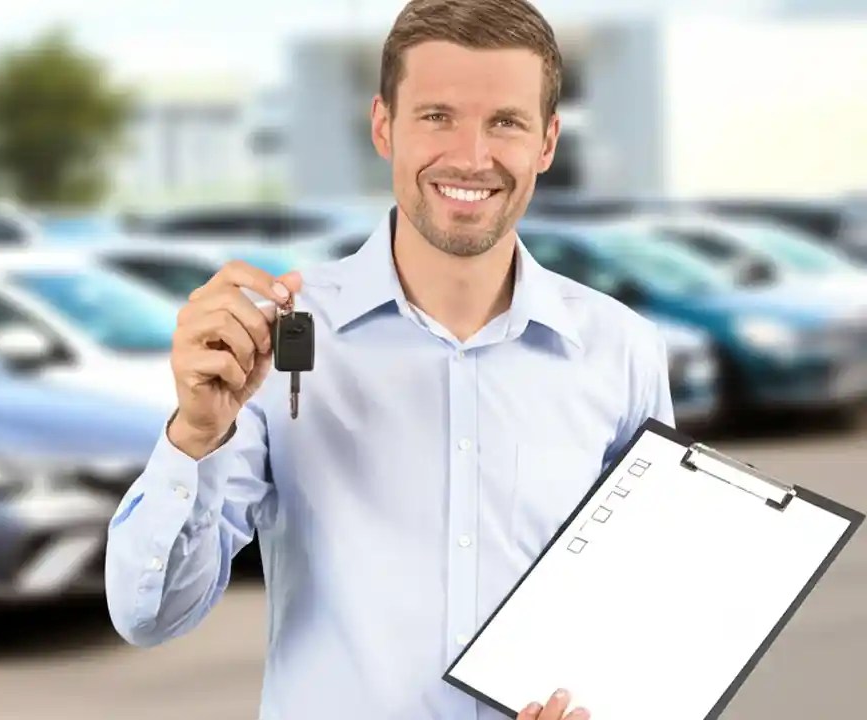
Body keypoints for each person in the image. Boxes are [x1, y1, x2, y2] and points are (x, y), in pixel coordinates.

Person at [104, 0, 674, 717]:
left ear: (547, 142)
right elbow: (150, 614)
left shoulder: (622, 351)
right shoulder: (278, 341)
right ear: (383, 126)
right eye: (438, 116)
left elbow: (643, 617)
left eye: (505, 122)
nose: (471, 157)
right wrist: (195, 436)